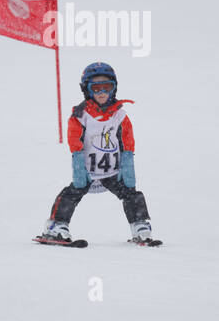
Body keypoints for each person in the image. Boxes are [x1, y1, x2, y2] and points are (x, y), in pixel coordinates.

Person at [35, 62, 159, 247]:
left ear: (114, 88)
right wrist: (78, 163)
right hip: (87, 171)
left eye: (107, 87)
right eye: (96, 88)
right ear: (87, 90)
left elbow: (127, 142)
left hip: (112, 171)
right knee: (71, 194)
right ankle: (56, 226)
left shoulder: (119, 116)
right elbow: (75, 141)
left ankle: (139, 226)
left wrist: (127, 165)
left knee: (132, 195)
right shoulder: (80, 116)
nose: (102, 93)